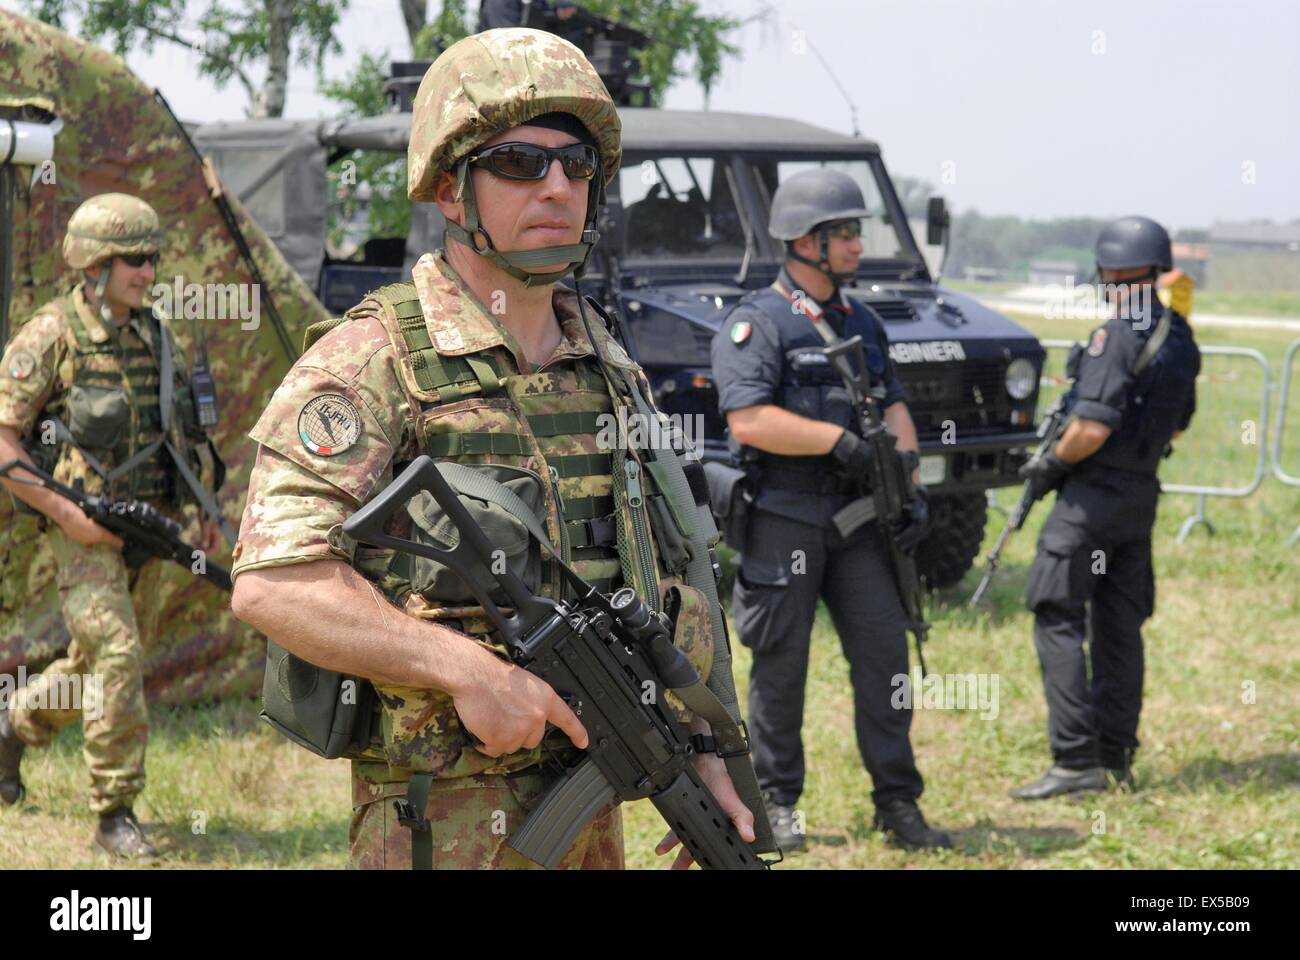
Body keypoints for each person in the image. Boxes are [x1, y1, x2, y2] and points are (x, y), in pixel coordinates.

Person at [230, 27, 767, 870]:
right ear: (451, 190)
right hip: (443, 822)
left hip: (599, 788)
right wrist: (464, 669)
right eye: (518, 161)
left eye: (577, 162)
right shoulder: (374, 361)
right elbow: (274, 585)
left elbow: (667, 572)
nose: (556, 185)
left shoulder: (607, 363)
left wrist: (701, 746)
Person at [710, 168, 951, 852]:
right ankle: (777, 803)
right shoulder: (758, 323)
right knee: (781, 668)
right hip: (786, 516)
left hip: (862, 521)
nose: (856, 243)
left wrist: (908, 482)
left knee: (887, 660)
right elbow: (750, 419)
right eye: (843, 232)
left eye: (855, 230)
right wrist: (836, 442)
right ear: (805, 241)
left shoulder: (863, 319)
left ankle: (899, 804)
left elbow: (895, 402)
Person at [0, 193, 225, 858]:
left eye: (153, 257)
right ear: (94, 264)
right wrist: (71, 515)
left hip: (150, 526)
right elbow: (4, 439)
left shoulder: (156, 334)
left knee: (96, 664)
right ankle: (115, 811)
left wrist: (203, 509)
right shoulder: (52, 334)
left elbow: (182, 432)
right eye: (134, 258)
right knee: (119, 658)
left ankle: (13, 726)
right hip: (81, 532)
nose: (148, 270)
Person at [1011, 215, 1201, 800]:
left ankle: (1074, 761)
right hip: (1139, 497)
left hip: (1091, 501)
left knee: (1057, 615)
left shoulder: (1115, 334)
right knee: (1120, 626)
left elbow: (1089, 427)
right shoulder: (1179, 336)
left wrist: (1050, 466)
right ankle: (1116, 754)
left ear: (1113, 271)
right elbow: (1182, 422)